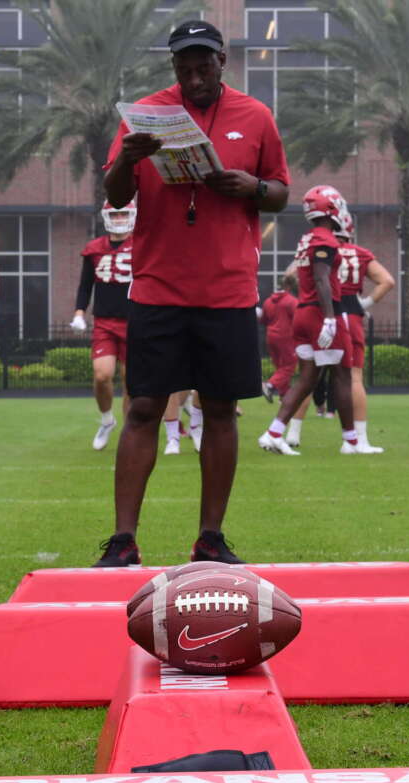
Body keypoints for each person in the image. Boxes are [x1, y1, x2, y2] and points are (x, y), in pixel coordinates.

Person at [95, 19, 290, 566]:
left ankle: (211, 538)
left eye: (203, 64)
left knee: (221, 410)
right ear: (173, 66)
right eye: (184, 65)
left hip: (227, 288)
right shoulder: (146, 113)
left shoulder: (256, 116)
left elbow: (278, 191)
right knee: (143, 408)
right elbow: (114, 195)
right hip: (158, 286)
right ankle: (122, 541)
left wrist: (249, 187)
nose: (194, 74)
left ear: (222, 61)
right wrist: (130, 157)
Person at [258, 185, 355, 456]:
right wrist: (330, 319)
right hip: (319, 312)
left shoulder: (309, 237)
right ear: (332, 208)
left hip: (304, 311)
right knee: (343, 375)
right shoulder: (324, 239)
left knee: (308, 378)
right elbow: (322, 277)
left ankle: (273, 433)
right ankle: (352, 441)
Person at [72, 199, 136, 451]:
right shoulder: (95, 248)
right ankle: (107, 419)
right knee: (102, 375)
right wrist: (79, 312)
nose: (119, 219)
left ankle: (129, 432)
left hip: (135, 321)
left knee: (131, 381)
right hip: (105, 322)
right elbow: (86, 284)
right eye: (115, 214)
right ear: (106, 216)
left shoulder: (142, 245)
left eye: (123, 215)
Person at [333, 205, 395, 451]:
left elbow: (293, 276)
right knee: (354, 377)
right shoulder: (358, 253)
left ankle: (285, 432)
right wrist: (365, 303)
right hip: (349, 314)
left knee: (309, 378)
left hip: (319, 313)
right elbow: (387, 281)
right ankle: (358, 439)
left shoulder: (318, 248)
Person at [259, 267, 298, 403]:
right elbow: (298, 320)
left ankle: (284, 395)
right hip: (286, 337)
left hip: (270, 336)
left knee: (280, 367)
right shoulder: (292, 301)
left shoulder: (268, 301)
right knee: (289, 366)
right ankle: (269, 385)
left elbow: (263, 320)